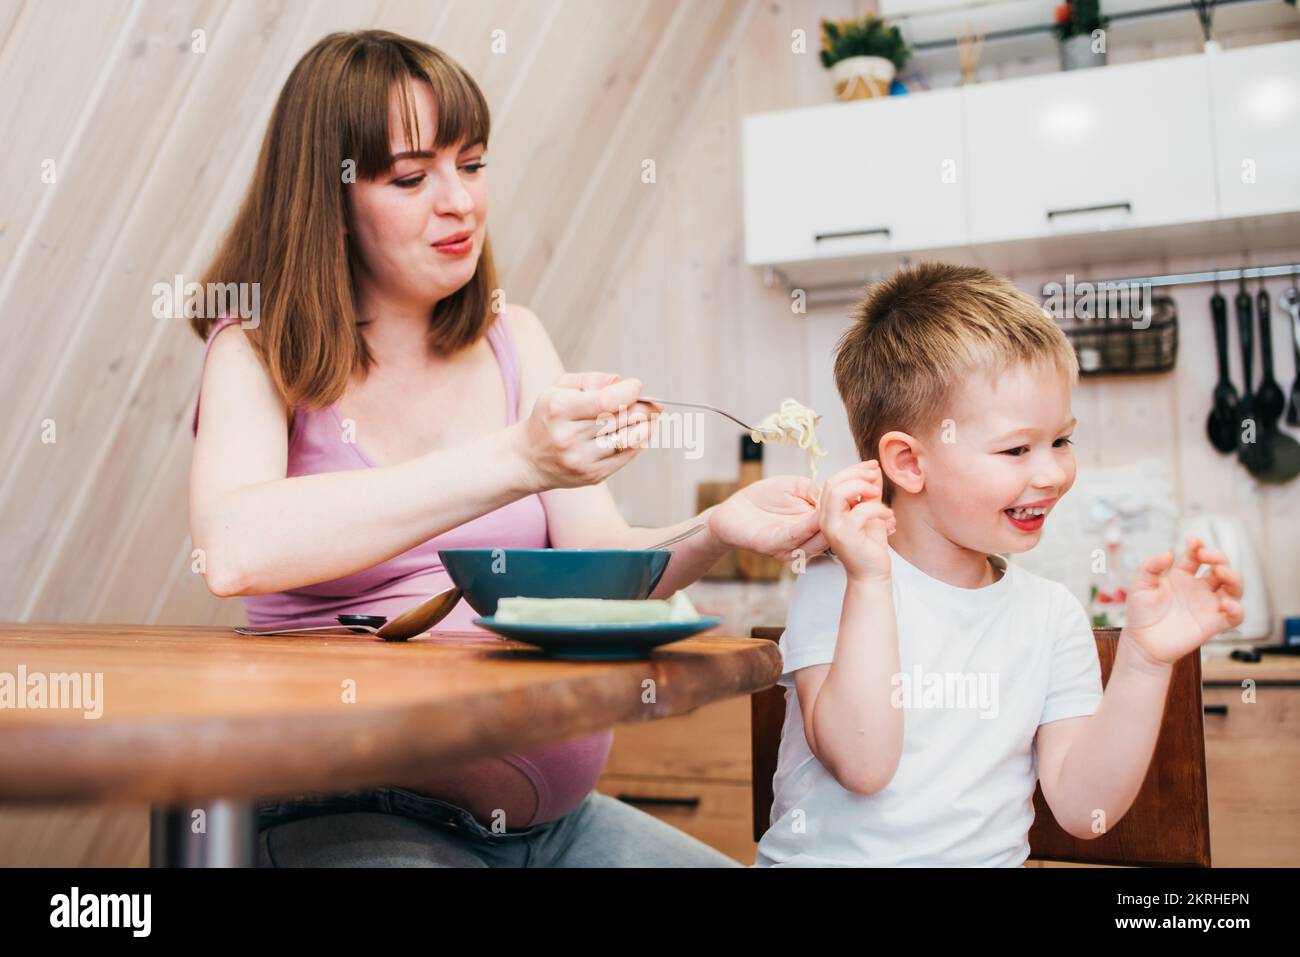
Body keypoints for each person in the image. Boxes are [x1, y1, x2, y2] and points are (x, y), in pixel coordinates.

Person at [188, 30, 825, 867]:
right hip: (349, 808)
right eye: (412, 176)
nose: (459, 202)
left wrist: (718, 529)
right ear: (329, 199)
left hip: (558, 828)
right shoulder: (258, 349)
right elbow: (235, 551)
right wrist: (520, 459)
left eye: (474, 163)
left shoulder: (512, 339)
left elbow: (603, 570)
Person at [755, 262, 1245, 867]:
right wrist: (870, 580)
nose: (1053, 473)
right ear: (908, 464)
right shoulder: (839, 581)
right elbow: (862, 765)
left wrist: (1145, 662)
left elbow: (1082, 809)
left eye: (1061, 441)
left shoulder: (1050, 615)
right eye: (1017, 449)